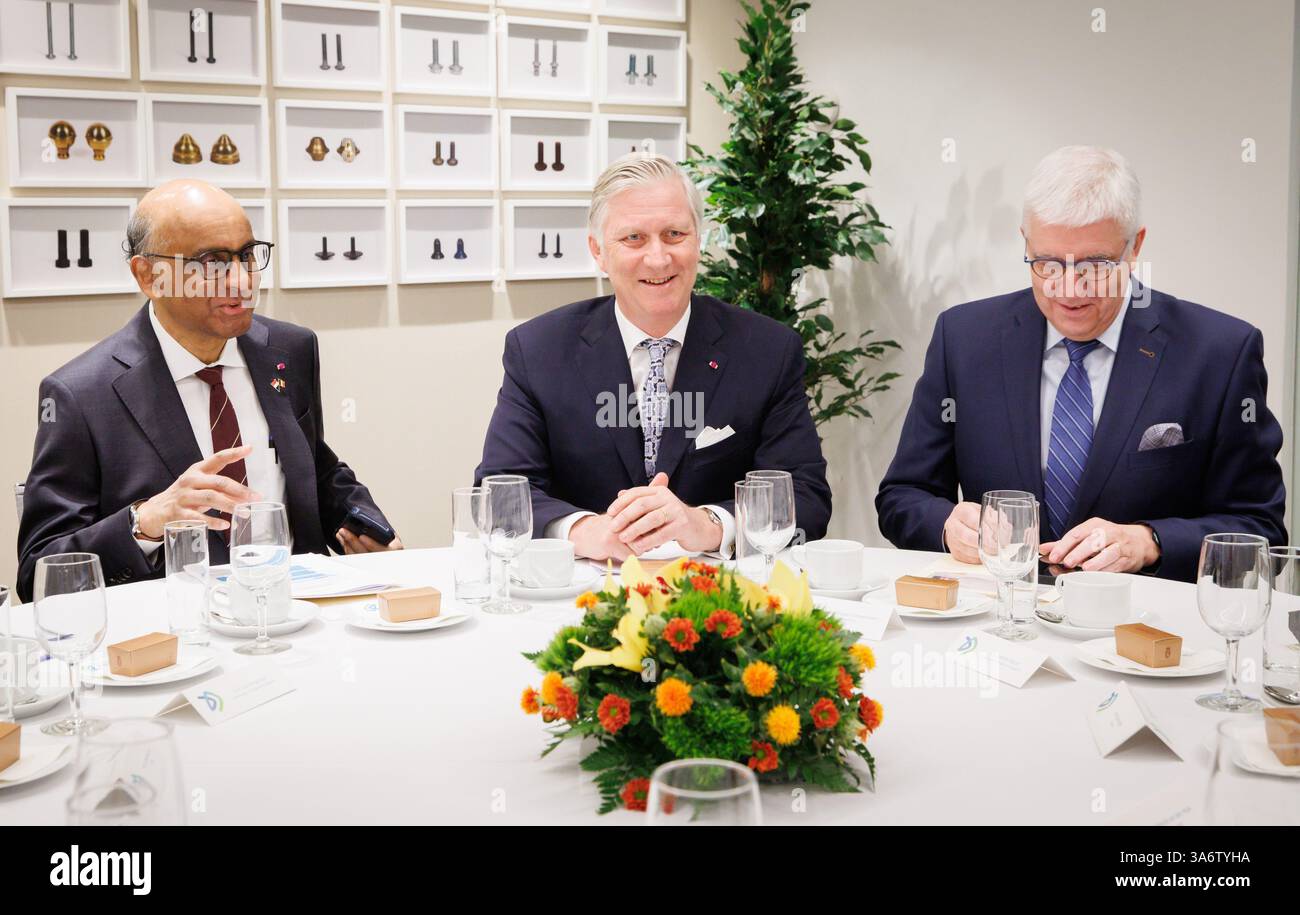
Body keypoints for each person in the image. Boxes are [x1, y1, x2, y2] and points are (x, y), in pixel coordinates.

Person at [876, 146, 1286, 582]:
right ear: (1026, 242)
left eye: (1094, 264)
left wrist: (1151, 542)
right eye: (1047, 264)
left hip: (1147, 634)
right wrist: (946, 525)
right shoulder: (963, 338)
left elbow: (1258, 530)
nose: (1069, 290)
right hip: (1000, 628)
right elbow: (904, 495)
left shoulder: (1219, 352)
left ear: (1135, 247)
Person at [16, 179, 400, 601]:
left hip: (298, 614)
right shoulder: (81, 394)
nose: (240, 281)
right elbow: (40, 572)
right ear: (149, 276)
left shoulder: (291, 350)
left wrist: (364, 523)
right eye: (211, 261)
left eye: (247, 255)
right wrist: (143, 522)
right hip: (174, 637)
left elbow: (314, 468)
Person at [476, 153, 831, 561]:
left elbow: (807, 496)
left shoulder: (768, 350)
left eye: (675, 234)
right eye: (634, 238)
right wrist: (585, 530)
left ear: (699, 240)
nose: (659, 258)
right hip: (580, 593)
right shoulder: (538, 350)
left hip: (721, 599)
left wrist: (710, 524)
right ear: (598, 251)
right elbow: (499, 493)